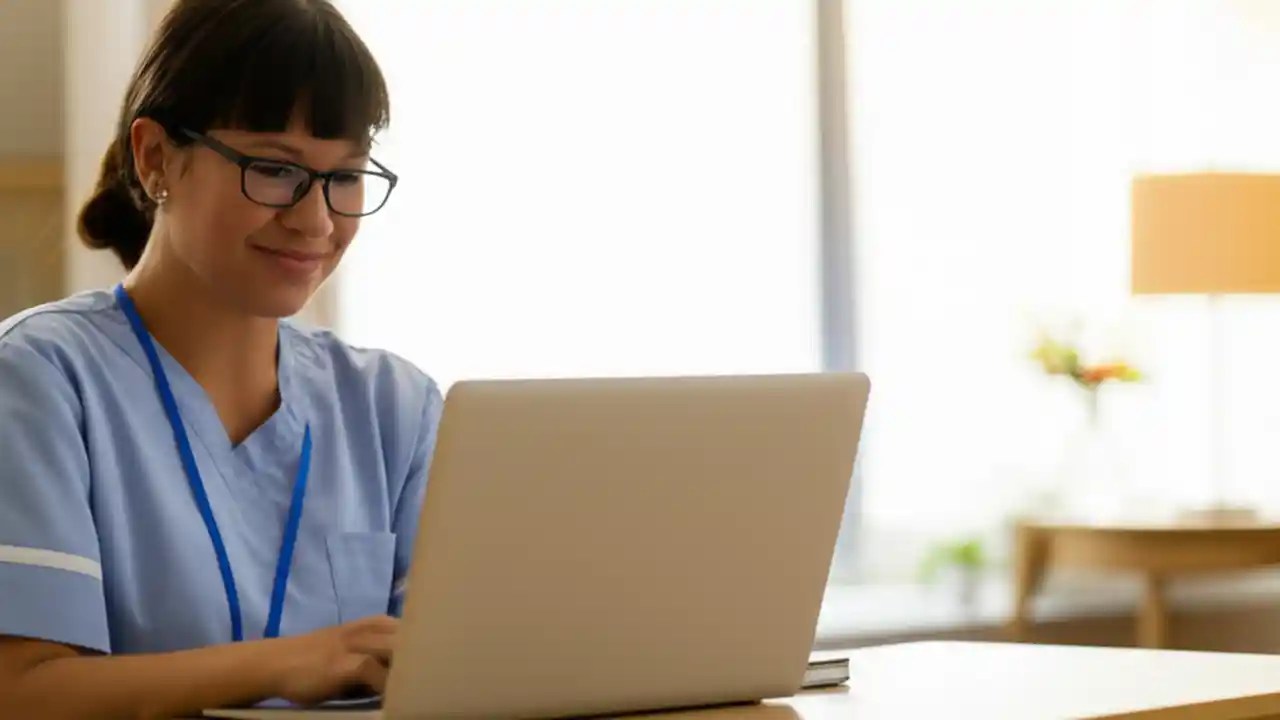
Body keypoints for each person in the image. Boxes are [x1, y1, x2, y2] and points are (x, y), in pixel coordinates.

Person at [0, 1, 441, 717]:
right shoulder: (39, 379)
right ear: (155, 158)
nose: (316, 221)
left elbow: (456, 670)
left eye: (346, 176)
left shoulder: (397, 407)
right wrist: (294, 661)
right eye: (274, 169)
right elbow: (19, 691)